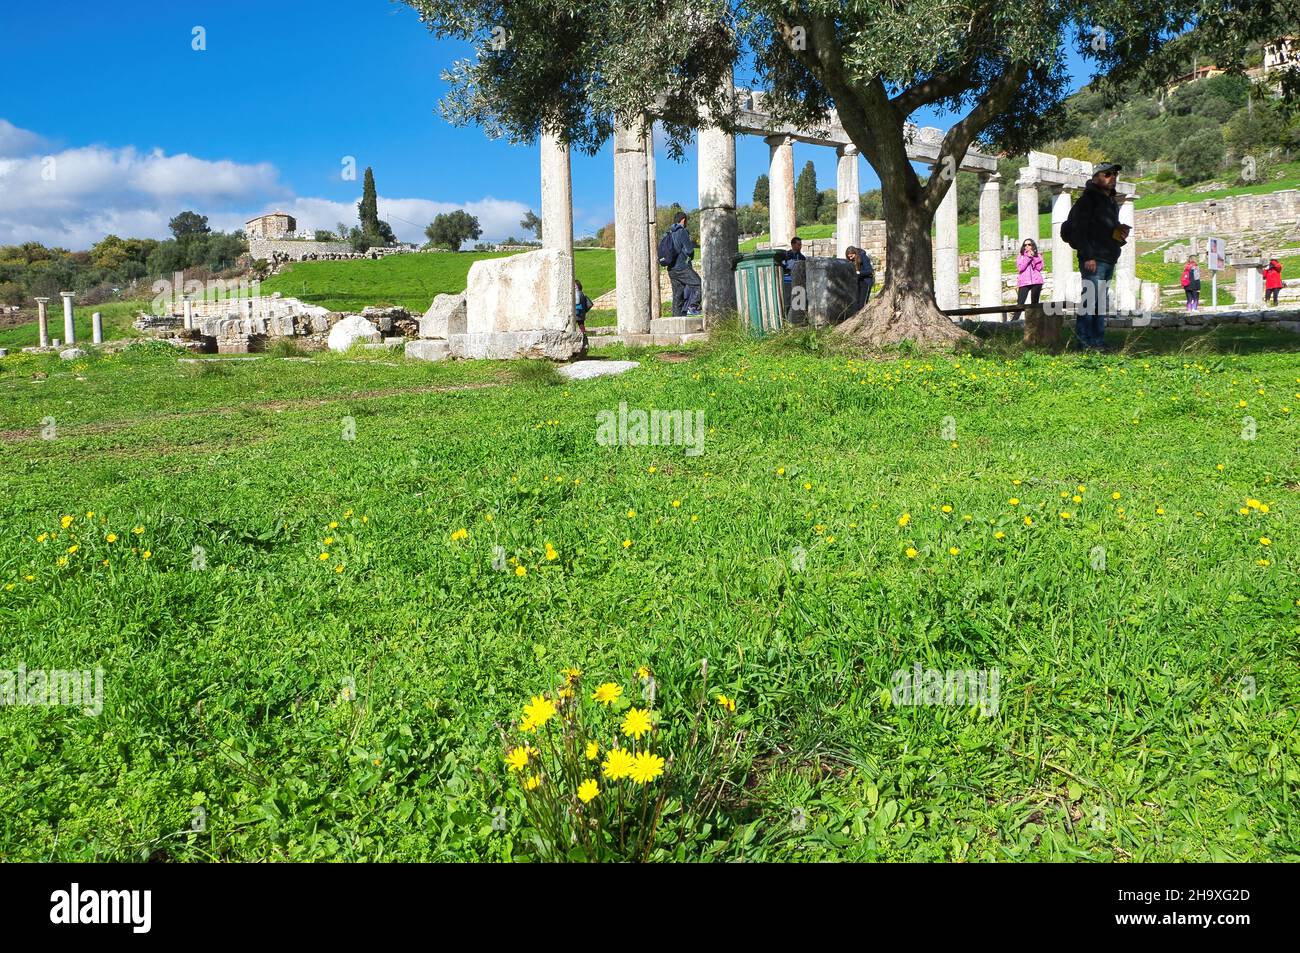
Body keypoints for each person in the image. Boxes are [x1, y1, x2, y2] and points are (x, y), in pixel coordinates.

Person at [1063, 161, 1128, 351]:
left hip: (1109, 257)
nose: (1112, 177)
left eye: (1114, 174)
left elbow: (1104, 230)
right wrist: (1088, 255)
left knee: (1101, 302)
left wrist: (1120, 235)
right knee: (1090, 301)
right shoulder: (1086, 201)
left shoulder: (1111, 203)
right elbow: (1078, 230)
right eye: (1107, 174)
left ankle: (1097, 342)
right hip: (1093, 258)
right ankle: (1083, 343)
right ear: (1095, 178)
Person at [666, 212, 702, 316]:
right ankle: (693, 306)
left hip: (671, 269)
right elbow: (689, 250)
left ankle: (676, 319)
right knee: (700, 284)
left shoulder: (669, 233)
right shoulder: (682, 232)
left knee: (678, 295)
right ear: (683, 220)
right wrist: (690, 256)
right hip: (681, 267)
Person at [1016, 239, 1045, 307]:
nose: (1027, 246)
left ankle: (1034, 318)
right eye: (1025, 245)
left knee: (1035, 304)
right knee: (1020, 304)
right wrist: (1028, 257)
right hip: (1024, 282)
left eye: (1029, 244)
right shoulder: (1021, 256)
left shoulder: (1038, 255)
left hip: (1037, 282)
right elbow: (1020, 268)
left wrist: (1034, 257)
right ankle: (1015, 318)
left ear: (1032, 245)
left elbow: (1039, 268)